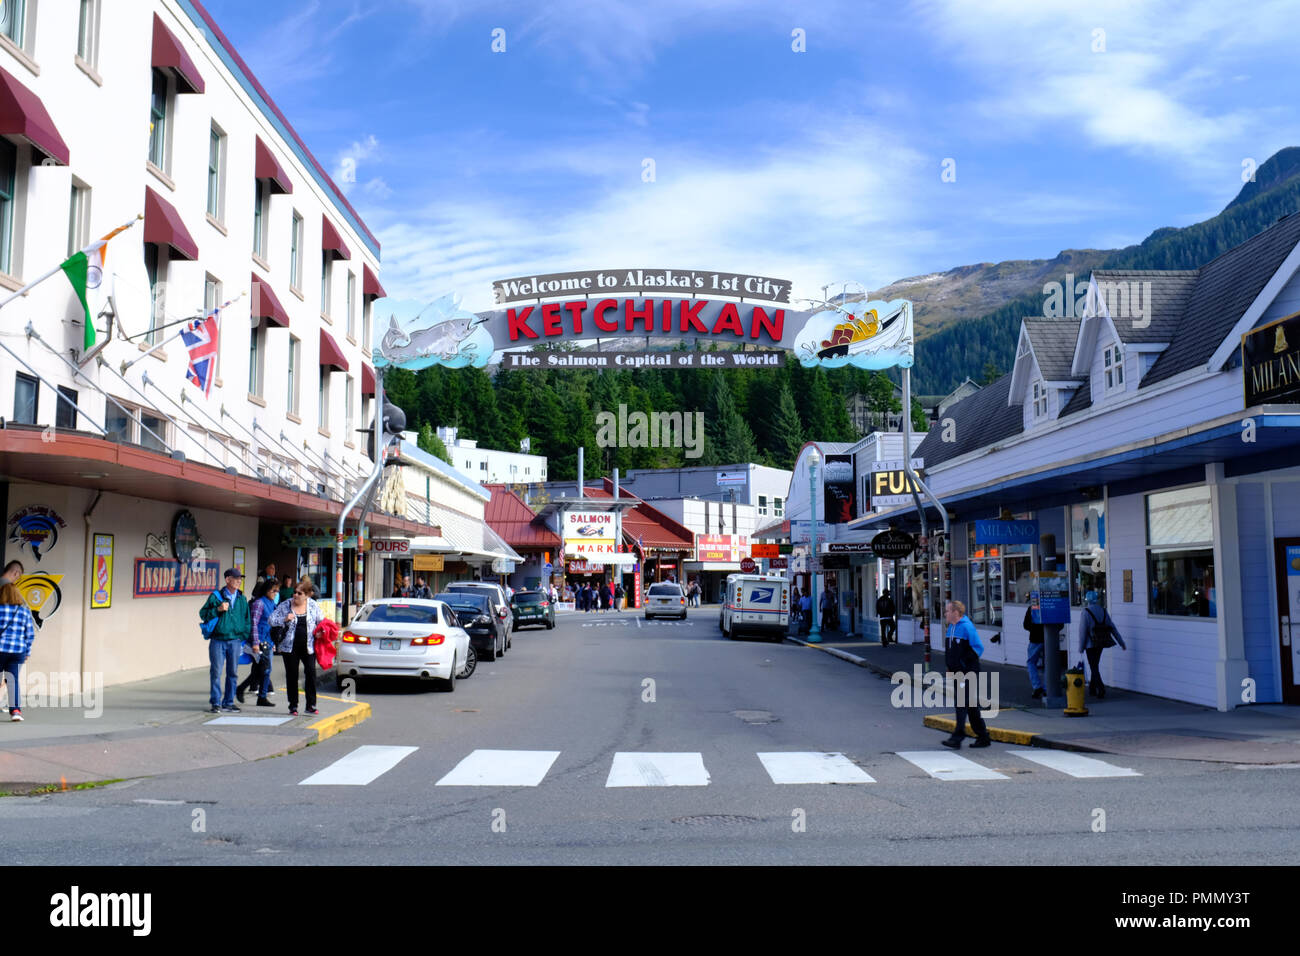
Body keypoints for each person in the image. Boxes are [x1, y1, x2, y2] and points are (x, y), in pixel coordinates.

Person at [269, 580, 325, 716]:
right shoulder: (285, 605)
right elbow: (271, 620)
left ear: (307, 595)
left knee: (311, 673)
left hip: (308, 646)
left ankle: (311, 705)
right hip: (289, 647)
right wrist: (284, 618)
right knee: (292, 676)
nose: (295, 595)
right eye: (294, 592)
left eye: (299, 593)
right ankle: (293, 706)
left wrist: (320, 632)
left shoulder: (313, 605)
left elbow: (322, 622)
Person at [200, 569, 251, 714]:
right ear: (227, 580)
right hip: (218, 640)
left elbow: (247, 619)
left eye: (240, 578)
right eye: (236, 578)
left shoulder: (242, 598)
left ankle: (228, 702)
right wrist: (218, 609)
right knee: (216, 672)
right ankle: (216, 703)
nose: (239, 580)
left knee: (233, 673)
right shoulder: (216, 597)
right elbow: (203, 614)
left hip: (235, 641)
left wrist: (243, 636)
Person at [941, 600, 990, 749]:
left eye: (948, 611)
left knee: (961, 703)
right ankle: (983, 737)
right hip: (957, 672)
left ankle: (958, 736)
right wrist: (950, 666)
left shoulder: (967, 627)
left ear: (956, 612)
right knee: (970, 706)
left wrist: (963, 665)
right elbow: (951, 651)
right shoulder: (951, 628)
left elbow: (978, 648)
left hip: (968, 672)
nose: (945, 614)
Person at [0, 582, 37, 721]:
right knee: (12, 680)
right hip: (17, 651)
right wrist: (27, 651)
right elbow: (30, 635)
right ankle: (15, 711)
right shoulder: (24, 612)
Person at [1079, 590, 1126, 698]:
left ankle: (1100, 688)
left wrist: (1081, 647)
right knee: (1095, 664)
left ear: (1087, 600)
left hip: (1090, 644)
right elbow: (1112, 628)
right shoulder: (1103, 611)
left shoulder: (1085, 612)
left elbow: (1082, 631)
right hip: (1101, 642)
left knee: (1093, 666)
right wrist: (1121, 642)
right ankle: (1092, 688)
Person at [237, 581, 277, 706]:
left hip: (268, 641)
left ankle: (253, 693)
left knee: (262, 670)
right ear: (266, 590)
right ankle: (260, 696)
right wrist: (255, 643)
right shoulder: (259, 603)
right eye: (273, 591)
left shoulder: (272, 603)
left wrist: (273, 642)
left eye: (277, 591)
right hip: (259, 641)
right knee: (264, 669)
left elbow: (272, 624)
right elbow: (254, 623)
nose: (276, 594)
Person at [1024, 605, 1045, 699]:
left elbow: (1026, 625)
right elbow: (1060, 625)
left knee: (1031, 662)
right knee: (1049, 664)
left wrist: (1035, 629)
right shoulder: (1051, 605)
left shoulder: (1032, 607)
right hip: (1050, 640)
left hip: (1035, 638)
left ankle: (1037, 687)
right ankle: (1047, 687)